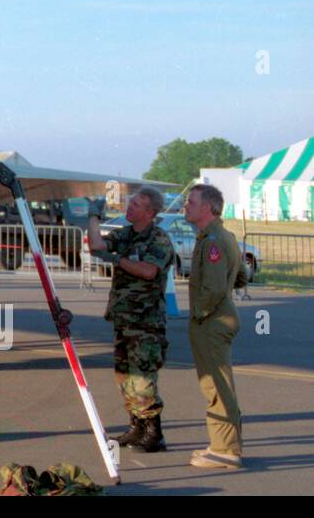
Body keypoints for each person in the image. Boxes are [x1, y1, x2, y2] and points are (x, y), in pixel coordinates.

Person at [86, 187, 174, 453]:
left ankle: (154, 432)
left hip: (146, 321)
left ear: (150, 212)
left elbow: (149, 271)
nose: (130, 206)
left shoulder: (158, 239)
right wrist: (93, 217)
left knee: (143, 377)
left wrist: (119, 260)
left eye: (136, 204)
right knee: (124, 376)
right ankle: (136, 426)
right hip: (124, 318)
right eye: (131, 202)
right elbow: (97, 246)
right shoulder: (125, 234)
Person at [183, 183, 245, 469]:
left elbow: (214, 287)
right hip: (220, 315)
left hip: (212, 319)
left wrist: (199, 313)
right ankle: (221, 444)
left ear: (207, 206)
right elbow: (242, 276)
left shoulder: (213, 241)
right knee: (217, 384)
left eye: (191, 202)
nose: (186, 206)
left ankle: (225, 450)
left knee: (216, 385)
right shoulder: (223, 235)